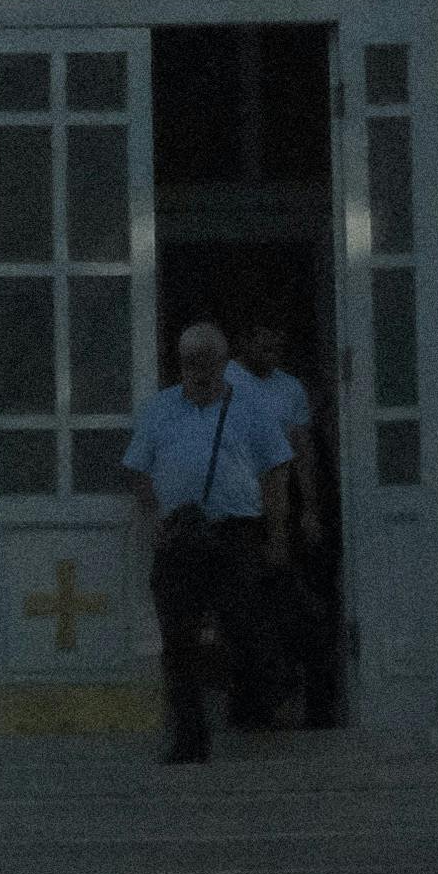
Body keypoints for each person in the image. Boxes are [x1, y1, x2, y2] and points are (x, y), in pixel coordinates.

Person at [118, 319, 293, 767]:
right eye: (188, 362)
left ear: (223, 362)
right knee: (177, 638)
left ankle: (254, 711)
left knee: (245, 626)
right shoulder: (159, 410)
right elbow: (137, 468)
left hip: (235, 533)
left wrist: (277, 534)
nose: (197, 370)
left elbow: (276, 470)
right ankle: (190, 740)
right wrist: (155, 515)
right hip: (180, 535)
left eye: (206, 361)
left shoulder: (251, 409)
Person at [232, 308, 343, 728]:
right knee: (245, 607)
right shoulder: (225, 383)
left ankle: (313, 704)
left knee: (298, 604)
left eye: (278, 346)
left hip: (284, 504)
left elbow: (302, 449)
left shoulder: (291, 388)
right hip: (239, 504)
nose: (272, 353)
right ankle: (251, 707)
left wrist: (310, 508)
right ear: (245, 343)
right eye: (263, 345)